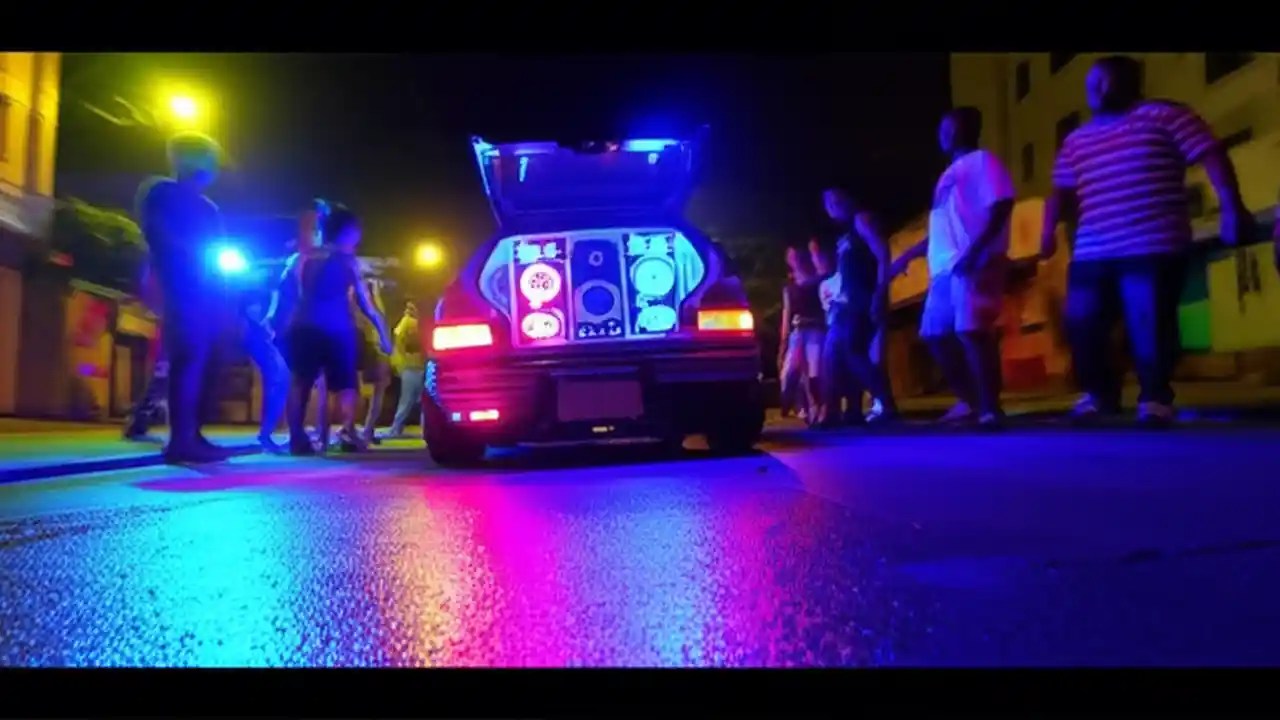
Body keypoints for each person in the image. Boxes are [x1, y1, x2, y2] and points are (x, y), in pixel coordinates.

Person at [1041, 55, 1253, 425]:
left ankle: (1155, 397)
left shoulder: (1165, 115)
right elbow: (1060, 192)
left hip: (1153, 239)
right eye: (1093, 82)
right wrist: (1046, 231)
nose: (1097, 88)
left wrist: (1232, 208)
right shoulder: (1076, 139)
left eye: (1105, 81)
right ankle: (1099, 395)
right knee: (1081, 321)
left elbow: (1212, 155)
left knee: (1149, 322)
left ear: (1130, 83)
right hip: (1093, 248)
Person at [890, 106, 1015, 428]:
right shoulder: (948, 175)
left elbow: (1002, 205)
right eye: (941, 128)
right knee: (934, 335)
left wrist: (976, 251)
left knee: (972, 331)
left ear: (967, 129)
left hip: (973, 260)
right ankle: (970, 402)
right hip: (943, 268)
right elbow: (940, 227)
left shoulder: (983, 161)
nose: (942, 134)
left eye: (949, 128)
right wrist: (908, 256)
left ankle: (990, 408)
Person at [133, 132, 231, 464]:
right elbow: (157, 234)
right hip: (180, 287)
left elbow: (218, 248)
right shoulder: (161, 193)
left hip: (207, 292)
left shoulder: (209, 208)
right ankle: (181, 439)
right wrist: (194, 255)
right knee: (188, 359)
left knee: (207, 361)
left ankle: (193, 433)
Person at [283, 207, 391, 454]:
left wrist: (281, 325)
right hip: (337, 330)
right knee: (346, 385)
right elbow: (365, 301)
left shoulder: (303, 258)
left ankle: (297, 437)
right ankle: (347, 433)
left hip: (304, 327)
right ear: (348, 233)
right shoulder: (348, 261)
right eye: (356, 232)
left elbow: (286, 293)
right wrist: (382, 332)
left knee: (301, 382)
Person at [818, 188, 899, 428]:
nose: (833, 206)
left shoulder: (861, 220)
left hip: (863, 298)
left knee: (852, 352)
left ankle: (886, 403)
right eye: (828, 203)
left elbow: (883, 254)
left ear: (849, 198)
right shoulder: (844, 235)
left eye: (837, 199)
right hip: (847, 301)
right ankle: (849, 412)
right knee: (836, 356)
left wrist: (880, 293)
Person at [265, 200, 330, 450]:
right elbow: (299, 296)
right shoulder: (301, 261)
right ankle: (298, 435)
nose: (316, 232)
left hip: (298, 325)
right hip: (300, 326)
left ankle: (307, 435)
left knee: (306, 381)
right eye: (313, 227)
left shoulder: (299, 260)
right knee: (303, 381)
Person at [777, 246, 825, 423]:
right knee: (790, 371)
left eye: (796, 255)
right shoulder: (790, 286)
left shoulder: (817, 281)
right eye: (791, 256)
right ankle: (798, 405)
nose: (794, 259)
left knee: (814, 371)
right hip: (798, 331)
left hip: (815, 330)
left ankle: (816, 409)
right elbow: (787, 313)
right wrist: (783, 341)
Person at [358, 277, 393, 446]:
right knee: (372, 390)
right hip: (372, 348)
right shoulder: (366, 307)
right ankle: (364, 429)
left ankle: (367, 429)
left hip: (375, 348)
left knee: (377, 391)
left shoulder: (371, 306)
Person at [386, 300, 426, 438]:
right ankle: (398, 428)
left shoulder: (415, 322)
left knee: (410, 401)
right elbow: (398, 339)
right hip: (412, 367)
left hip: (415, 367)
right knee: (412, 401)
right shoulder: (409, 321)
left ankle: (397, 429)